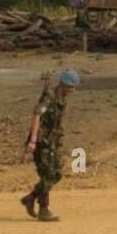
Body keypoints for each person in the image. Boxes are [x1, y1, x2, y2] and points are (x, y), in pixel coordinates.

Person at [21, 69, 80, 222]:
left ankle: (31, 197)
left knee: (56, 174)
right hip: (42, 142)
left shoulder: (62, 98)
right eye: (71, 87)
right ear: (64, 85)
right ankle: (43, 209)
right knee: (47, 174)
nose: (73, 90)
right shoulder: (50, 97)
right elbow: (37, 115)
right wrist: (33, 141)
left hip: (53, 142)